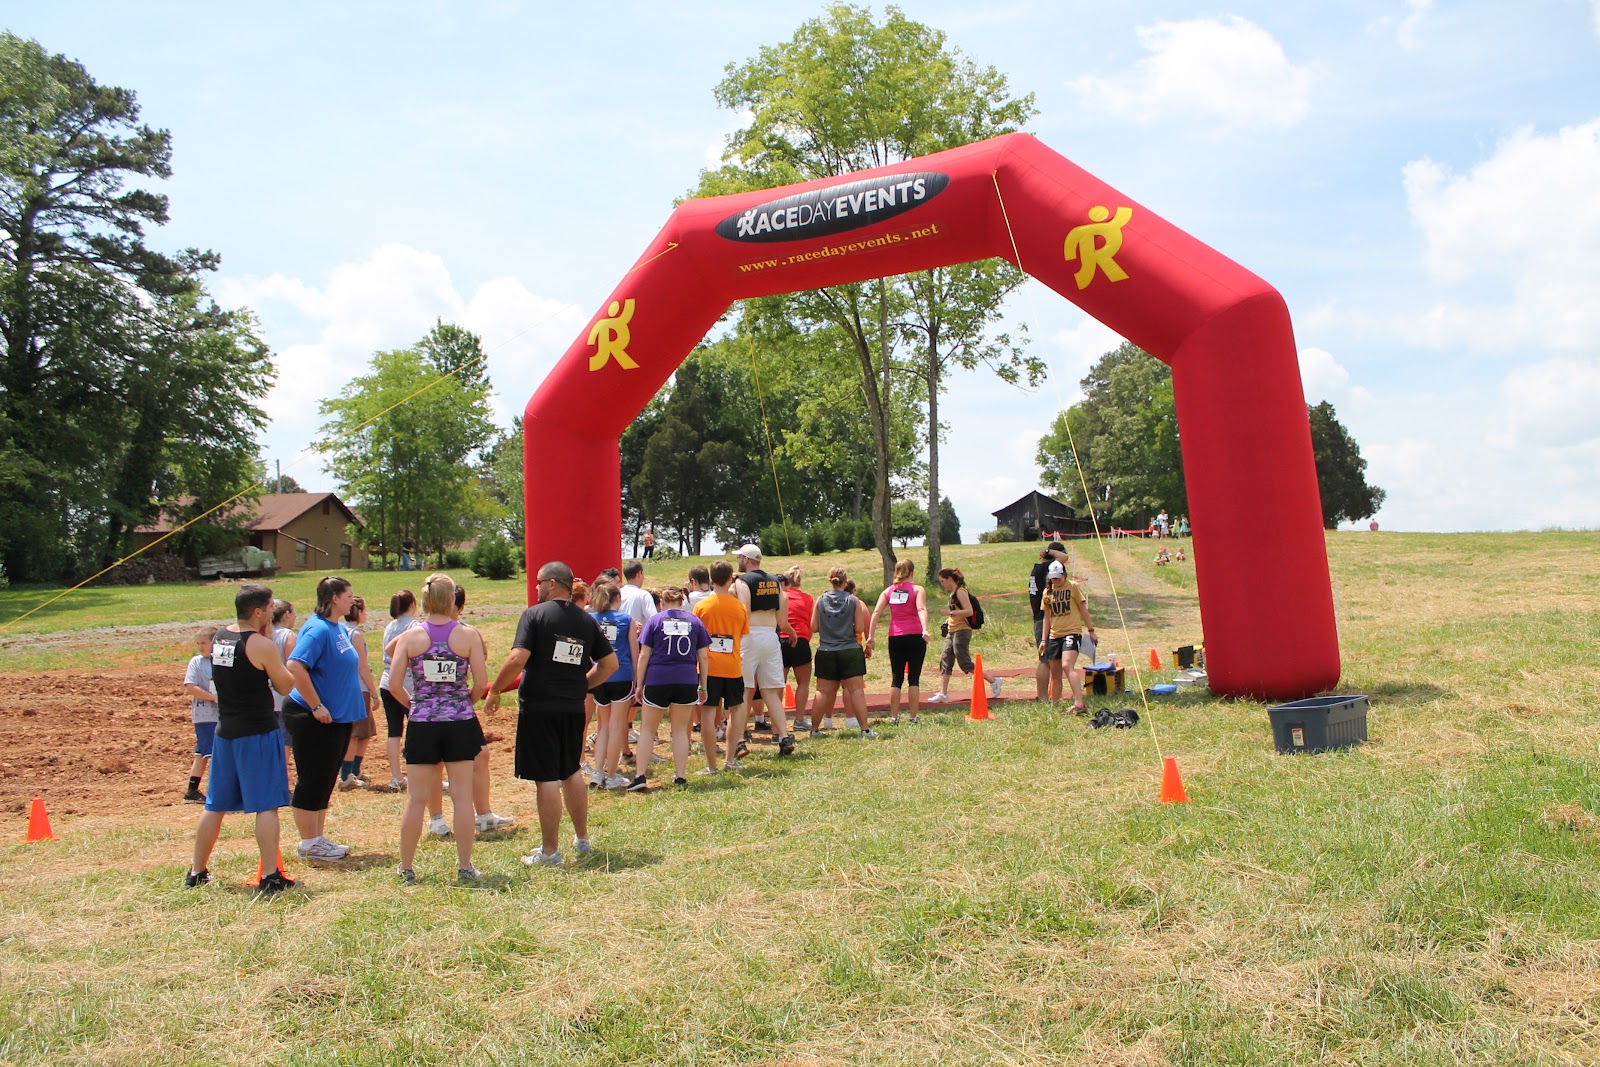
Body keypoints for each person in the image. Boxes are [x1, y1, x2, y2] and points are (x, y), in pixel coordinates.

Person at [486, 561, 616, 867]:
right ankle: (582, 840)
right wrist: (583, 685)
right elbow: (610, 665)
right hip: (572, 707)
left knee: (546, 778)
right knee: (570, 771)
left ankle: (550, 851)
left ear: (553, 583)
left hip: (540, 707)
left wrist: (494, 691)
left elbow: (518, 657)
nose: (536, 587)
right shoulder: (586, 621)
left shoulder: (534, 615)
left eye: (539, 581)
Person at [185, 583, 300, 893]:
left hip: (226, 731)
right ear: (258, 611)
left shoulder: (221, 636)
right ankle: (270, 875)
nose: (274, 613)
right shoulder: (260, 645)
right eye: (271, 608)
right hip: (257, 731)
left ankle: (196, 872)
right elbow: (286, 685)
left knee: (214, 805)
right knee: (267, 804)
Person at [388, 573, 489, 883]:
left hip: (423, 722)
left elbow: (393, 685)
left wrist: (415, 705)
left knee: (416, 799)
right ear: (451, 600)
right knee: (461, 796)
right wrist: (463, 702)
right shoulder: (468, 635)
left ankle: (406, 868)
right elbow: (481, 684)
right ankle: (465, 866)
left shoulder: (409, 637)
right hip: (459, 721)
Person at [283, 576, 367, 861]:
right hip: (313, 717)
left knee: (325, 779)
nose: (352, 601)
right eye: (348, 596)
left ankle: (317, 839)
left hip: (337, 718)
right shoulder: (318, 630)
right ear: (334, 599)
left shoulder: (337, 628)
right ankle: (309, 843)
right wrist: (316, 705)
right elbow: (295, 665)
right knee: (312, 778)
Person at [634, 584, 712, 785]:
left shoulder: (654, 621)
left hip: (658, 678)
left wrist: (639, 684)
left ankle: (640, 775)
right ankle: (680, 776)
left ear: (661, 602)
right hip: (686, 679)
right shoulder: (695, 621)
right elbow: (703, 657)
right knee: (679, 730)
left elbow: (644, 655)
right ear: (682, 601)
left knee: (648, 729)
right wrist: (703, 685)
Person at [733, 543, 798, 756]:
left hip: (749, 635)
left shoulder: (742, 581)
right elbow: (781, 618)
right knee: (771, 692)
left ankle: (740, 740)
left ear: (746, 560)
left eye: (739, 558)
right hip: (771, 635)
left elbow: (744, 610)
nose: (738, 561)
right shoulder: (775, 582)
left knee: (744, 690)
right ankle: (784, 736)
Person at [693, 560, 751, 768]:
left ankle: (711, 765)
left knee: (708, 715)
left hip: (708, 669)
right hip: (733, 667)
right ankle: (730, 759)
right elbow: (742, 635)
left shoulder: (701, 607)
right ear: (730, 578)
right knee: (735, 712)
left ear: (710, 578)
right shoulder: (740, 608)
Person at [586, 580, 639, 791]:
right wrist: (637, 680)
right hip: (622, 674)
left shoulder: (590, 619)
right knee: (617, 725)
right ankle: (612, 774)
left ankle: (598, 771)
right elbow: (635, 654)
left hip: (599, 675)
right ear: (618, 598)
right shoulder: (626, 619)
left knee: (602, 726)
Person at [866, 559, 930, 725]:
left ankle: (894, 717)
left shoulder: (888, 591)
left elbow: (877, 612)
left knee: (896, 678)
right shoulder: (917, 590)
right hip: (915, 635)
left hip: (895, 636)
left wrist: (870, 635)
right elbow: (921, 609)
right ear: (912, 573)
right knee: (914, 678)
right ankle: (913, 717)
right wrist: (925, 628)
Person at [812, 567, 873, 737]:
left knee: (822, 691)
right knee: (856, 690)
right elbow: (860, 628)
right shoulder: (853, 600)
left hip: (826, 649)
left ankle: (814, 729)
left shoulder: (821, 599)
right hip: (849, 649)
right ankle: (865, 729)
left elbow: (813, 627)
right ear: (845, 582)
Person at [1039, 559, 1096, 714]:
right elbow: (1047, 618)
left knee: (1066, 666)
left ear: (1064, 575)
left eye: (1058, 577)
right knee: (1055, 673)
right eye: (1053, 577)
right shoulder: (1047, 592)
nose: (1056, 580)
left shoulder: (1073, 587)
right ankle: (1055, 706)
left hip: (1072, 632)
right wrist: (1044, 640)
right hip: (1054, 636)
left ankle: (1079, 704)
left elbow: (1083, 609)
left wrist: (1091, 630)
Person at [337, 596, 381, 790]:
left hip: (344, 688)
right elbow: (362, 666)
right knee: (357, 733)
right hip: (358, 688)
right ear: (359, 612)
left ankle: (355, 769)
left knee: (365, 731)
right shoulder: (355, 634)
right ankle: (347, 774)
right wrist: (374, 692)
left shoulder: (338, 630)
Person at [378, 590, 420, 792]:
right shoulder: (414, 626)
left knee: (394, 731)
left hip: (386, 683)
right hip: (407, 685)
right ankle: (417, 775)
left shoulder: (389, 627)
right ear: (412, 604)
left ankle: (396, 776)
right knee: (416, 729)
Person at [1027, 542, 1071, 701]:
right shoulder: (1048, 567)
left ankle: (1045, 696)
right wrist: (1049, 551)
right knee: (1045, 660)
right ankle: (1043, 697)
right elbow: (1065, 558)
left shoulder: (1037, 568)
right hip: (1045, 618)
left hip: (1039, 617)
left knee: (1047, 659)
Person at [181, 627, 219, 803]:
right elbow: (190, 687)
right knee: (212, 753)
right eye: (198, 643)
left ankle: (191, 790)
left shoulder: (221, 660)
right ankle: (216, 792)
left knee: (201, 753)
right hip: (205, 715)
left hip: (219, 715)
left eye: (204, 643)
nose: (200, 647)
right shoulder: (196, 662)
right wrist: (213, 698)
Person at [928, 569, 977, 704]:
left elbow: (969, 611)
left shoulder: (961, 591)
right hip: (952, 629)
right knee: (946, 659)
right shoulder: (953, 594)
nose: (942, 584)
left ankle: (993, 680)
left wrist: (950, 612)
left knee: (964, 662)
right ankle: (943, 693)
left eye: (943, 581)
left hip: (962, 630)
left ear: (950, 578)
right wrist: (948, 620)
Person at [781, 566, 814, 728]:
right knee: (803, 683)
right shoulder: (807, 598)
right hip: (800, 639)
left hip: (780, 640)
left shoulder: (779, 597)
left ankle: (778, 720)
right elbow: (811, 623)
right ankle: (799, 719)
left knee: (779, 683)